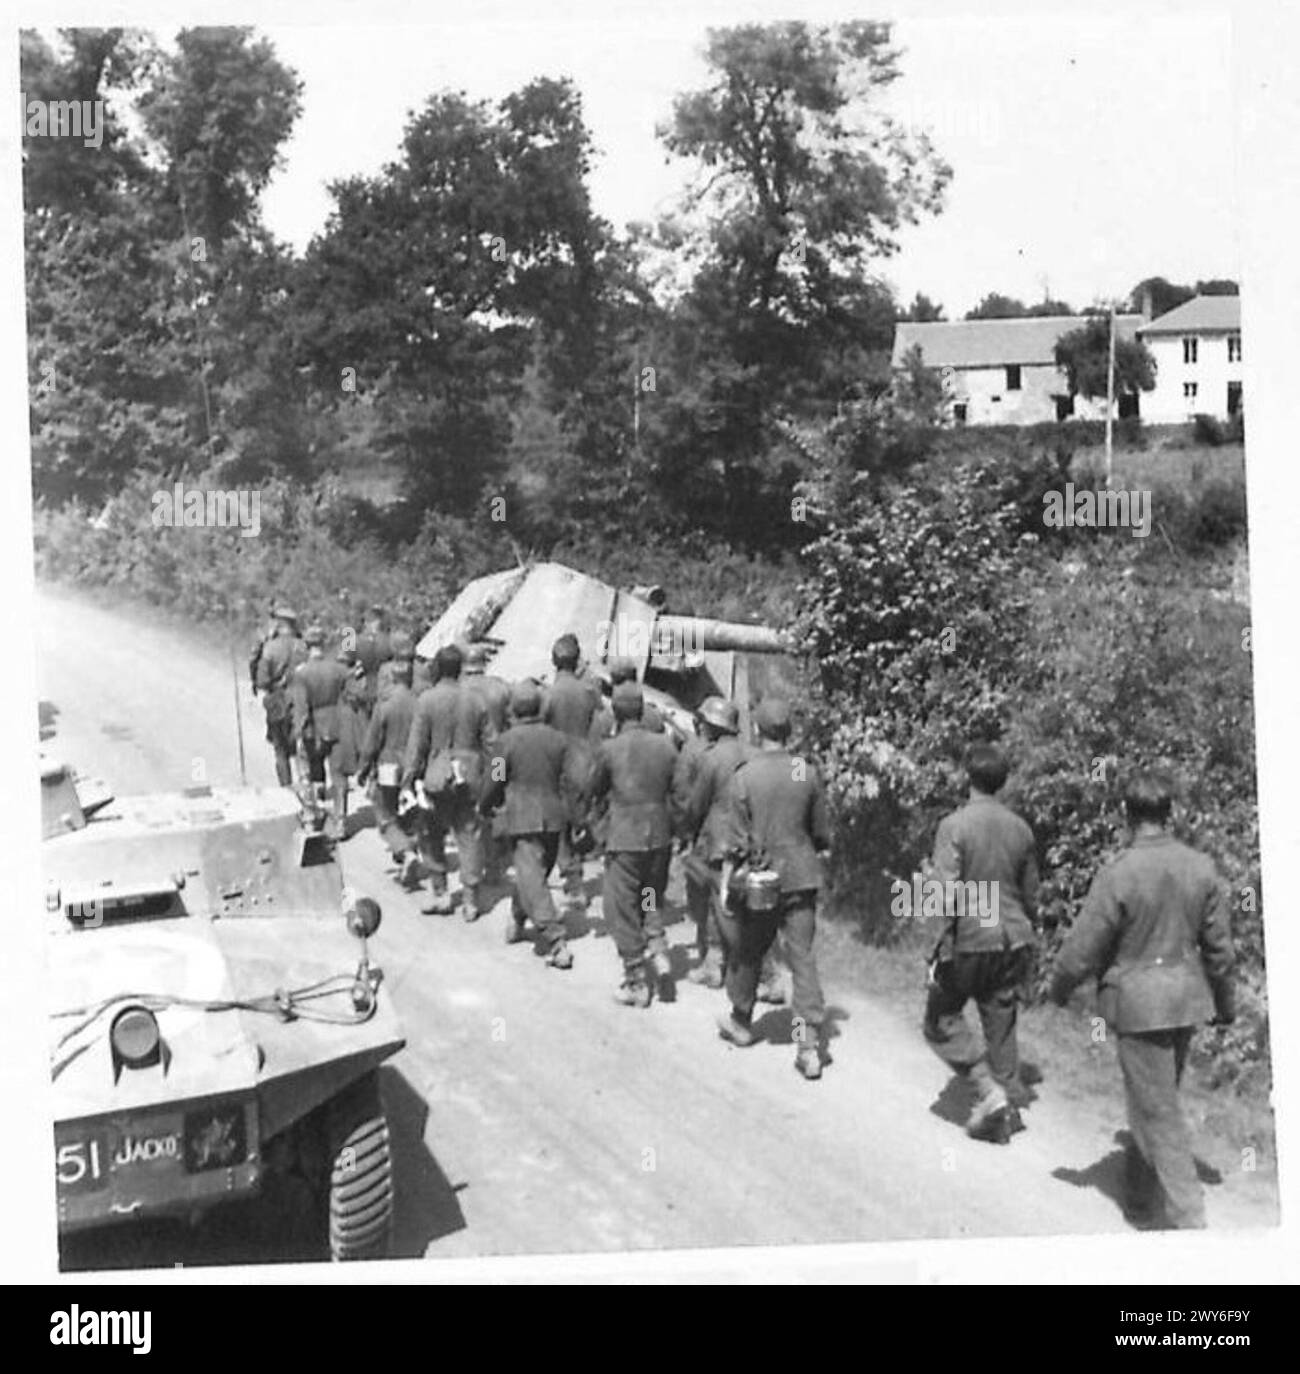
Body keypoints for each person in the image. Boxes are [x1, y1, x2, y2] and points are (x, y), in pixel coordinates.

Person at [1049, 770, 1235, 1229]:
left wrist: (1057, 987)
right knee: (1153, 1096)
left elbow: (1084, 945)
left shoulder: (1119, 871)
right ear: (1169, 815)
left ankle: (1189, 1218)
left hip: (1138, 1005)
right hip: (1185, 1002)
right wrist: (1226, 1005)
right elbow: (1220, 951)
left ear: (1128, 816)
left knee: (1157, 1108)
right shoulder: (1201, 866)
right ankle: (1137, 1195)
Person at [921, 743, 1039, 1142]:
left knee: (940, 1018)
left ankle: (987, 1089)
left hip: (974, 934)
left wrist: (937, 949)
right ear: (1003, 781)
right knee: (1000, 1020)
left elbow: (944, 896)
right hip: (1014, 936)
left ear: (966, 777)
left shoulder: (955, 825)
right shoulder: (1021, 829)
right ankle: (1007, 1107)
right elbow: (1031, 896)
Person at [717, 698, 830, 1080]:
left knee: (749, 950)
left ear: (757, 731)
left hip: (761, 880)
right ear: (789, 732)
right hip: (801, 876)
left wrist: (726, 881)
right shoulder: (803, 770)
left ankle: (741, 1020)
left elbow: (735, 840)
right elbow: (820, 831)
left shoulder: (745, 776)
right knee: (802, 957)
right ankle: (807, 1044)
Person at [587, 682, 679, 1007]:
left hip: (624, 839)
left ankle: (636, 978)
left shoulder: (609, 749)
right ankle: (658, 946)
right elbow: (680, 794)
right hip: (659, 837)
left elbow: (592, 789)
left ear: (616, 712)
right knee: (650, 895)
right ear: (642, 710)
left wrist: (594, 828)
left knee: (620, 906)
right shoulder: (666, 746)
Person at [479, 681, 579, 970]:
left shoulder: (506, 742)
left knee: (532, 878)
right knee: (535, 874)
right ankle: (519, 916)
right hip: (554, 816)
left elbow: (496, 778)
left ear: (513, 710)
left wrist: (485, 806)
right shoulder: (559, 740)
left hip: (521, 817)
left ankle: (556, 939)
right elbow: (571, 780)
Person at [402, 643, 494, 920]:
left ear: (438, 669)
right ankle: (470, 900)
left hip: (436, 776)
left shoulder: (426, 700)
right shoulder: (476, 701)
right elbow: (494, 746)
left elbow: (416, 745)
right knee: (469, 836)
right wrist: (495, 782)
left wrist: (408, 780)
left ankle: (440, 893)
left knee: (431, 834)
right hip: (469, 776)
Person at [542, 633, 601, 902]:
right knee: (575, 821)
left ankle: (570, 882)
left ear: (554, 661)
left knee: (558, 826)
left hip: (558, 764)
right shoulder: (588, 693)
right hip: (583, 762)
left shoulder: (550, 693)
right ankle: (574, 881)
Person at [356, 657, 421, 888]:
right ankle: (407, 847)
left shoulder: (384, 704)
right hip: (413, 763)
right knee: (408, 809)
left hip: (388, 762)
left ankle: (405, 850)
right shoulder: (420, 702)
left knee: (384, 813)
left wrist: (363, 768)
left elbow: (372, 741)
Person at [290, 625, 351, 839]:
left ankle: (314, 816)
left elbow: (301, 709)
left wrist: (298, 733)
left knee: (310, 769)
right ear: (324, 644)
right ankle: (341, 821)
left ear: (307, 646)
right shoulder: (338, 669)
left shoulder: (302, 673)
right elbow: (350, 696)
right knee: (339, 775)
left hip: (315, 726)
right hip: (338, 723)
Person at [463, 642, 512, 884]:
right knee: (497, 804)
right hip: (498, 759)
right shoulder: (500, 688)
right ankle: (497, 862)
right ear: (484, 663)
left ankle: (480, 862)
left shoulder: (461, 690)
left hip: (471, 760)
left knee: (472, 811)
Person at [254, 606, 306, 787]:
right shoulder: (304, 645)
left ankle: (286, 787)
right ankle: (308, 785)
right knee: (302, 745)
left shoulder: (270, 647)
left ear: (279, 623)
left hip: (278, 702)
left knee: (280, 749)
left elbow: (261, 680)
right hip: (302, 700)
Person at [353, 605, 392, 718]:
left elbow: (346, 663)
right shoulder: (389, 639)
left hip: (366, 688)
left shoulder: (354, 640)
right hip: (387, 688)